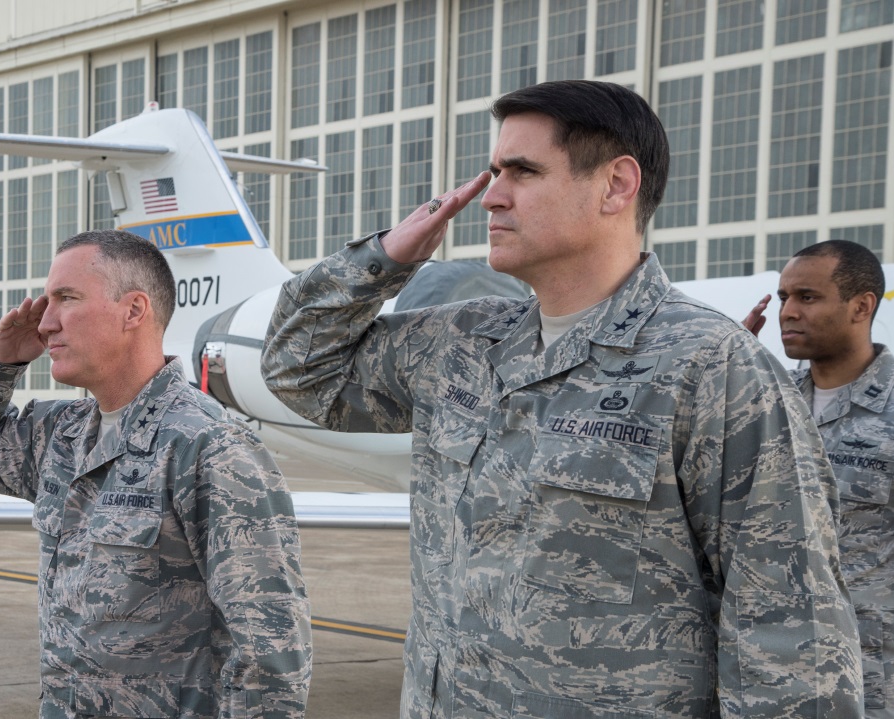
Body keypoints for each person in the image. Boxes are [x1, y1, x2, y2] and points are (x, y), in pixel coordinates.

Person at [262, 80, 862, 717]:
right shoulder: (461, 343)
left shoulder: (711, 368)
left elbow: (792, 632)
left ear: (615, 185)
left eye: (522, 171)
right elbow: (300, 369)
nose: (491, 197)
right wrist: (380, 261)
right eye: (495, 172)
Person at [0, 229, 311, 719]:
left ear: (133, 311)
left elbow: (268, 649)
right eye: (47, 303)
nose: (44, 323)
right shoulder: (60, 436)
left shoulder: (210, 449)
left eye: (66, 298)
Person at [744, 240, 893, 717]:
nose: (787, 311)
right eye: (783, 296)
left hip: (871, 680)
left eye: (807, 297)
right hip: (770, 673)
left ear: (861, 306)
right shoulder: (765, 400)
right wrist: (723, 373)